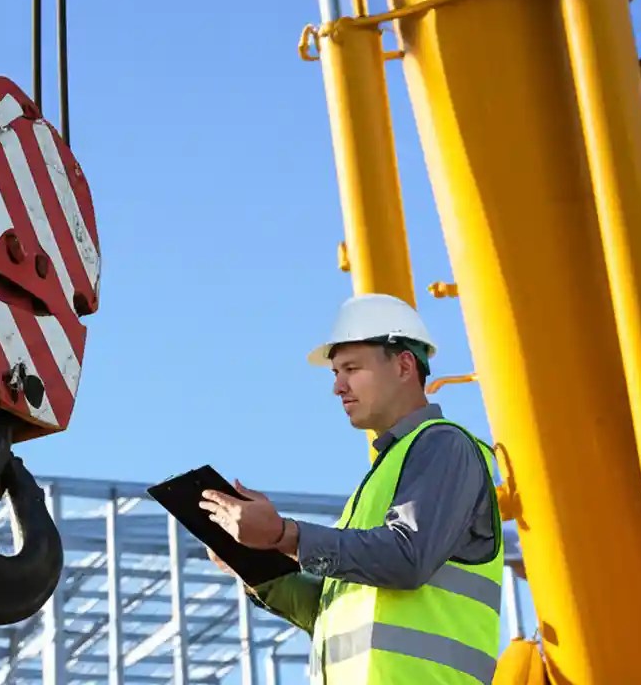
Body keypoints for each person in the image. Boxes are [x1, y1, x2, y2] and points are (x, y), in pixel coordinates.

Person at [198, 293, 504, 685]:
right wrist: (253, 564)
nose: (338, 387)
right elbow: (329, 612)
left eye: (351, 369)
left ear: (404, 364)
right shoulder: (382, 478)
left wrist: (283, 534)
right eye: (335, 373)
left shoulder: (445, 446)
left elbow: (406, 559)